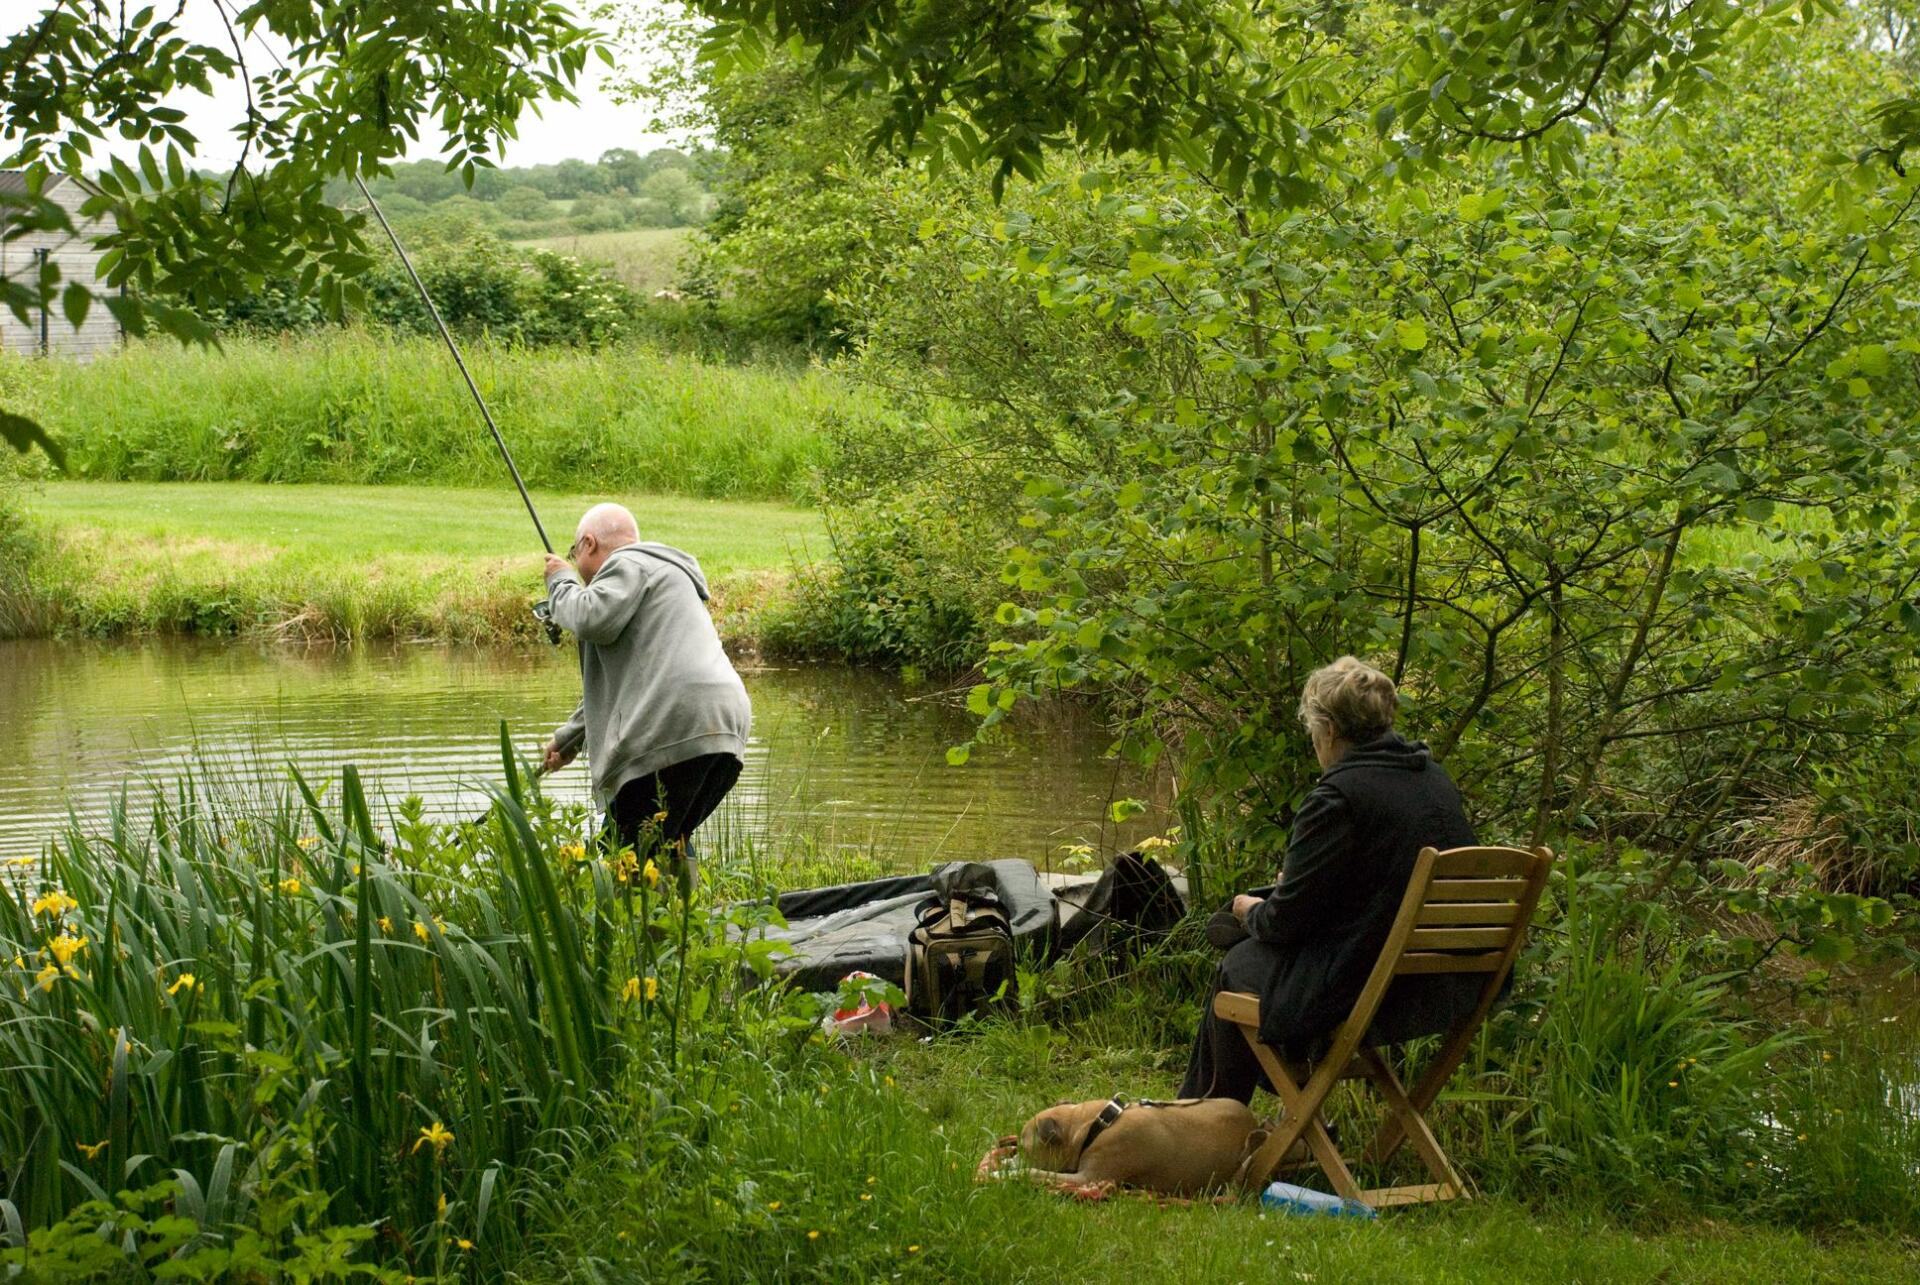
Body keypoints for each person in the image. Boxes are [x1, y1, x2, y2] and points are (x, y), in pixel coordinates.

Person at [1179, 656, 1479, 1102]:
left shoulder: (1337, 797)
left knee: (1239, 965)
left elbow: (1285, 924)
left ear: (1329, 731)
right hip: (1453, 981)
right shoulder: (1434, 780)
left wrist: (1250, 910)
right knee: (1258, 965)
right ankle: (1244, 1117)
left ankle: (1203, 1124)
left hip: (1374, 985)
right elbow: (1385, 883)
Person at [540, 503, 751, 882]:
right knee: (667, 841)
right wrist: (567, 739)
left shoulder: (627, 565)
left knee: (620, 858)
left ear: (588, 544)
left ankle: (626, 938)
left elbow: (588, 617)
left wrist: (560, 580)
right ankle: (682, 932)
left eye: (576, 554)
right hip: (724, 729)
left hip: (674, 724)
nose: (577, 565)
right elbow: (633, 683)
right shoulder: (665, 579)